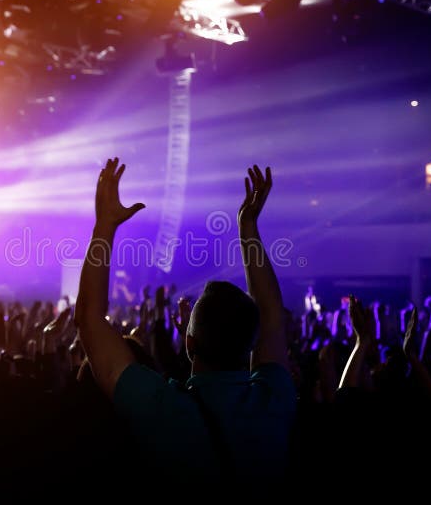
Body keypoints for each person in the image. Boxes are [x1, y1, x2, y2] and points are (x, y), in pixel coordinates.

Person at [74, 158, 296, 483]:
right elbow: (273, 314)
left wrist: (104, 225)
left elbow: (89, 318)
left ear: (189, 344)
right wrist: (248, 226)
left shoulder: (161, 410)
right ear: (252, 340)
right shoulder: (273, 401)